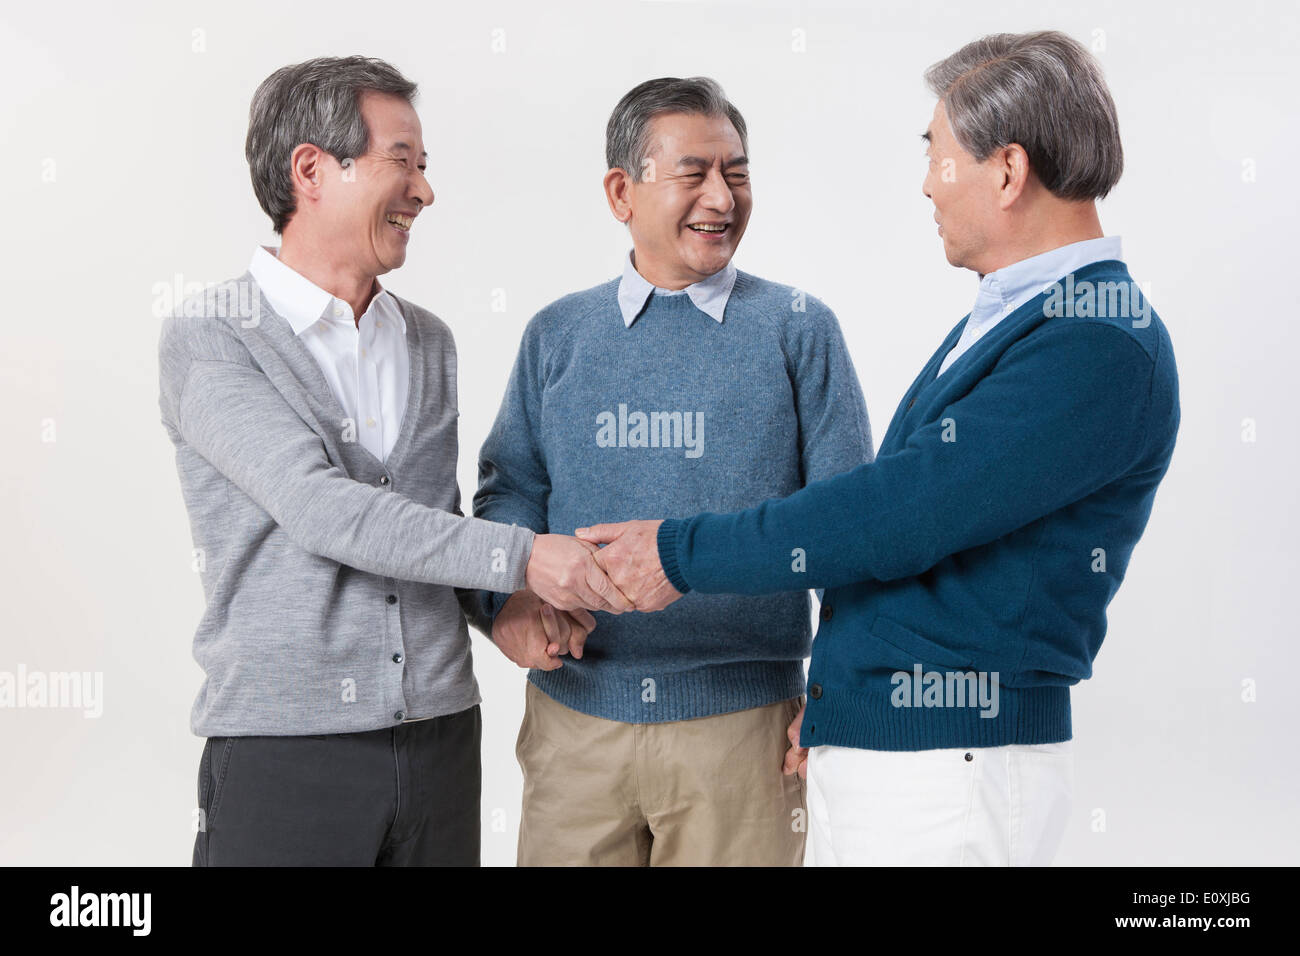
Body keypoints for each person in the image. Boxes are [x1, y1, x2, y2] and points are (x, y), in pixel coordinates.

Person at [578, 31, 1180, 867]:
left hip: (946, 771)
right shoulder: (1021, 316)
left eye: (937, 155)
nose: (926, 184)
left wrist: (678, 551)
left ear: (1006, 171)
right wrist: (834, 700)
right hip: (909, 763)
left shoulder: (1097, 339)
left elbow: (896, 515)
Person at [158, 55, 628, 866]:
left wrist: (499, 609)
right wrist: (529, 558)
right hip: (287, 750)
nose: (424, 190)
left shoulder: (428, 340)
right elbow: (322, 508)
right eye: (401, 161)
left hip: (440, 744)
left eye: (425, 166)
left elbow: (428, 525)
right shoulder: (213, 335)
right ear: (312, 169)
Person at [473, 76, 873, 866]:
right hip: (573, 726)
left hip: (744, 734)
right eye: (694, 173)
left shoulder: (799, 331)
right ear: (622, 191)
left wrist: (839, 687)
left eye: (739, 172)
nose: (722, 199)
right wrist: (504, 603)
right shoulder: (557, 334)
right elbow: (509, 488)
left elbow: (849, 528)